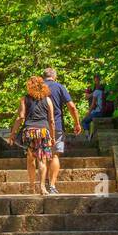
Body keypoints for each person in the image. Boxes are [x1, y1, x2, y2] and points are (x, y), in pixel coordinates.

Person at [8, 75, 57, 195]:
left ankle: (31, 187)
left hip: (29, 132)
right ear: (43, 86)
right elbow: (51, 120)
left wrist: (13, 134)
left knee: (30, 159)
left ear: (29, 86)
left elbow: (21, 117)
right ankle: (42, 187)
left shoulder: (24, 99)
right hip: (43, 132)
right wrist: (53, 137)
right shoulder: (48, 100)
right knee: (42, 159)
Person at [40, 66, 81, 194]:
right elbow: (72, 107)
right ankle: (52, 186)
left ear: (43, 76)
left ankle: (42, 185)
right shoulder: (59, 87)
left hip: (40, 126)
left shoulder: (38, 88)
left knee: (43, 157)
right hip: (56, 125)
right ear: (54, 76)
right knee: (55, 155)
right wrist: (77, 123)